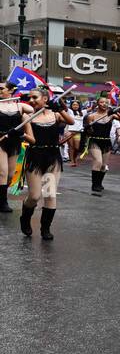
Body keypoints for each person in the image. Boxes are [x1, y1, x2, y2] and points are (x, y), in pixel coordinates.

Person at [18, 85, 75, 240]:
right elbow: (32, 139)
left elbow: (71, 121)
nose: (31, 100)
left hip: (52, 157)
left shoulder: (55, 115)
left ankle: (45, 228)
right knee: (35, 196)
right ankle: (25, 218)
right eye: (29, 98)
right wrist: (21, 135)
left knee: (50, 194)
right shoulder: (27, 117)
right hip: (35, 156)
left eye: (34, 97)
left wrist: (59, 109)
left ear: (45, 99)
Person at [0, 81, 33, 213]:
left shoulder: (19, 106)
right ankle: (2, 203)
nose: (0, 90)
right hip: (0, 140)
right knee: (2, 172)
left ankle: (1, 196)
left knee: (10, 174)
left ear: (11, 90)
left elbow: (31, 109)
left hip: (14, 142)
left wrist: (19, 100)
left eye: (2, 88)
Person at [83, 92, 120, 196]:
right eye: (102, 102)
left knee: (104, 165)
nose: (104, 104)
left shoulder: (111, 115)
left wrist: (116, 111)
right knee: (98, 161)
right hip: (94, 140)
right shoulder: (91, 116)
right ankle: (94, 184)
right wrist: (88, 127)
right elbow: (88, 131)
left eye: (106, 102)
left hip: (106, 141)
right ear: (97, 104)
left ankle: (99, 183)